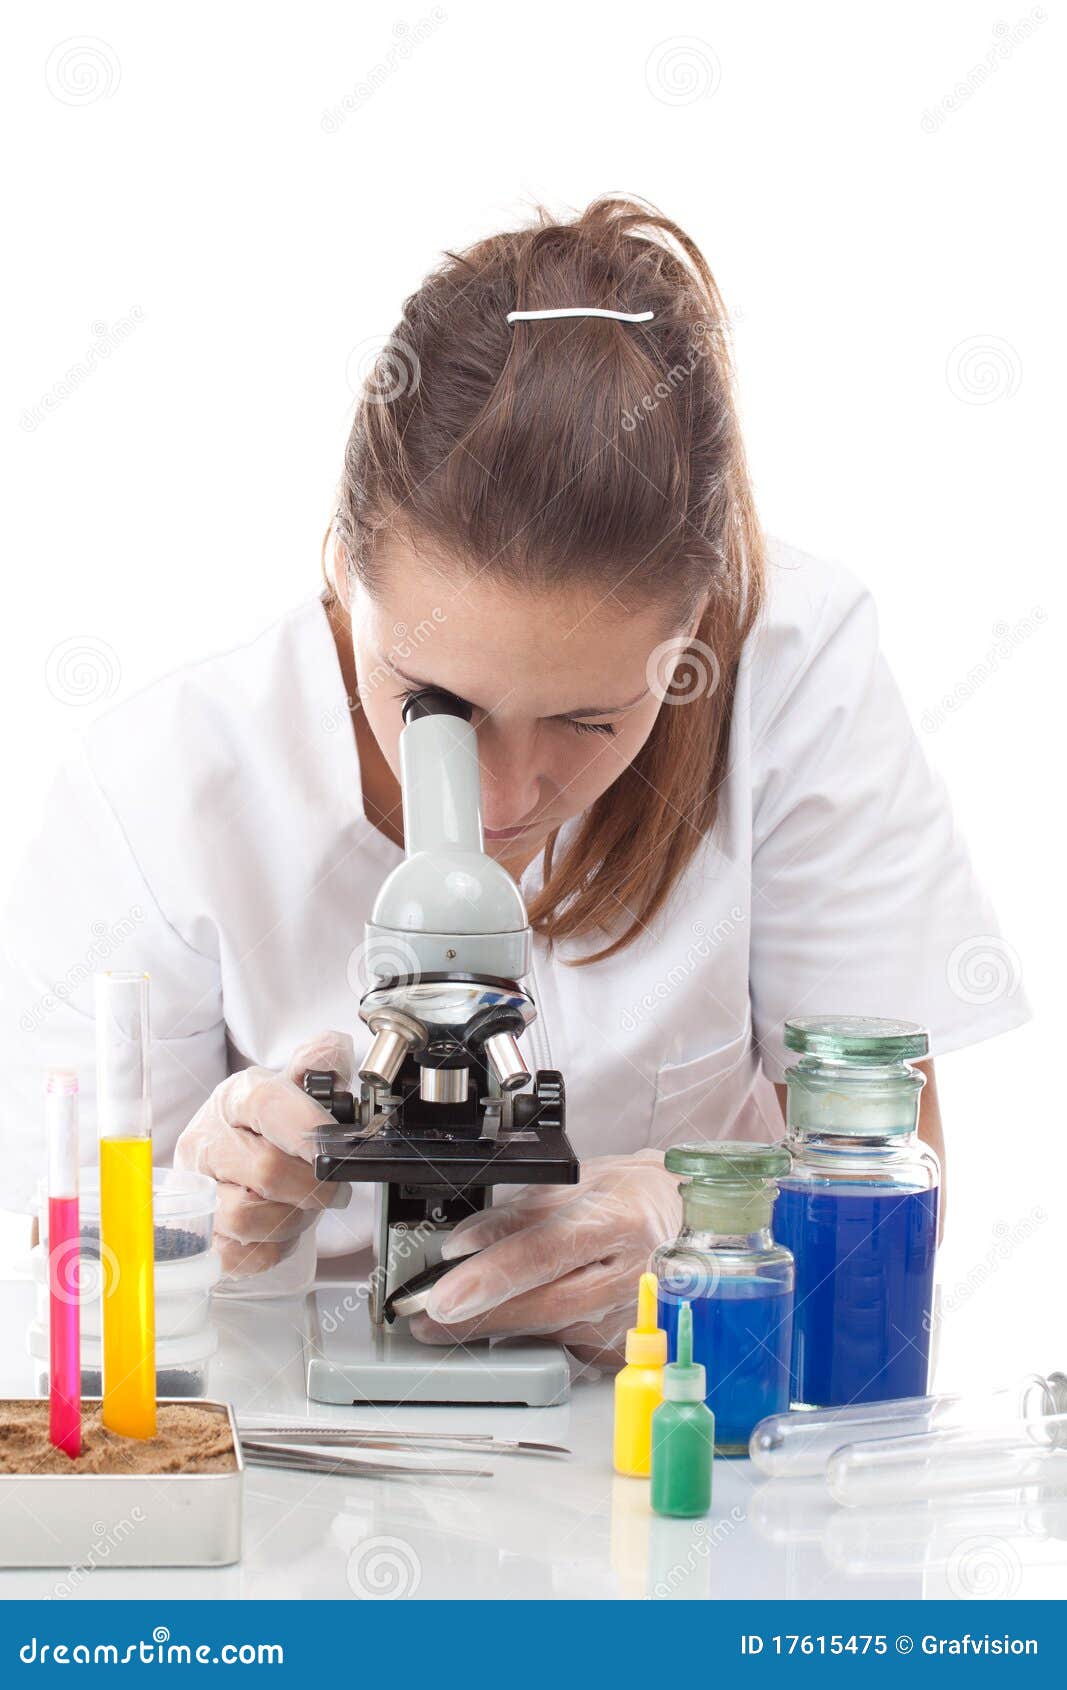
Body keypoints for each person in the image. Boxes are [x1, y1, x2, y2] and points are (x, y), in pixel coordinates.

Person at [0, 197, 1026, 1363]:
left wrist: (693, 1229)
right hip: (303, 1481)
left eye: (590, 716)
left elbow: (882, 1194)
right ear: (342, 570)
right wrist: (206, 1215)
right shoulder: (163, 786)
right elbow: (67, 1319)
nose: (499, 803)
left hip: (680, 1439)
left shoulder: (792, 676)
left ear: (701, 619)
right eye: (440, 705)